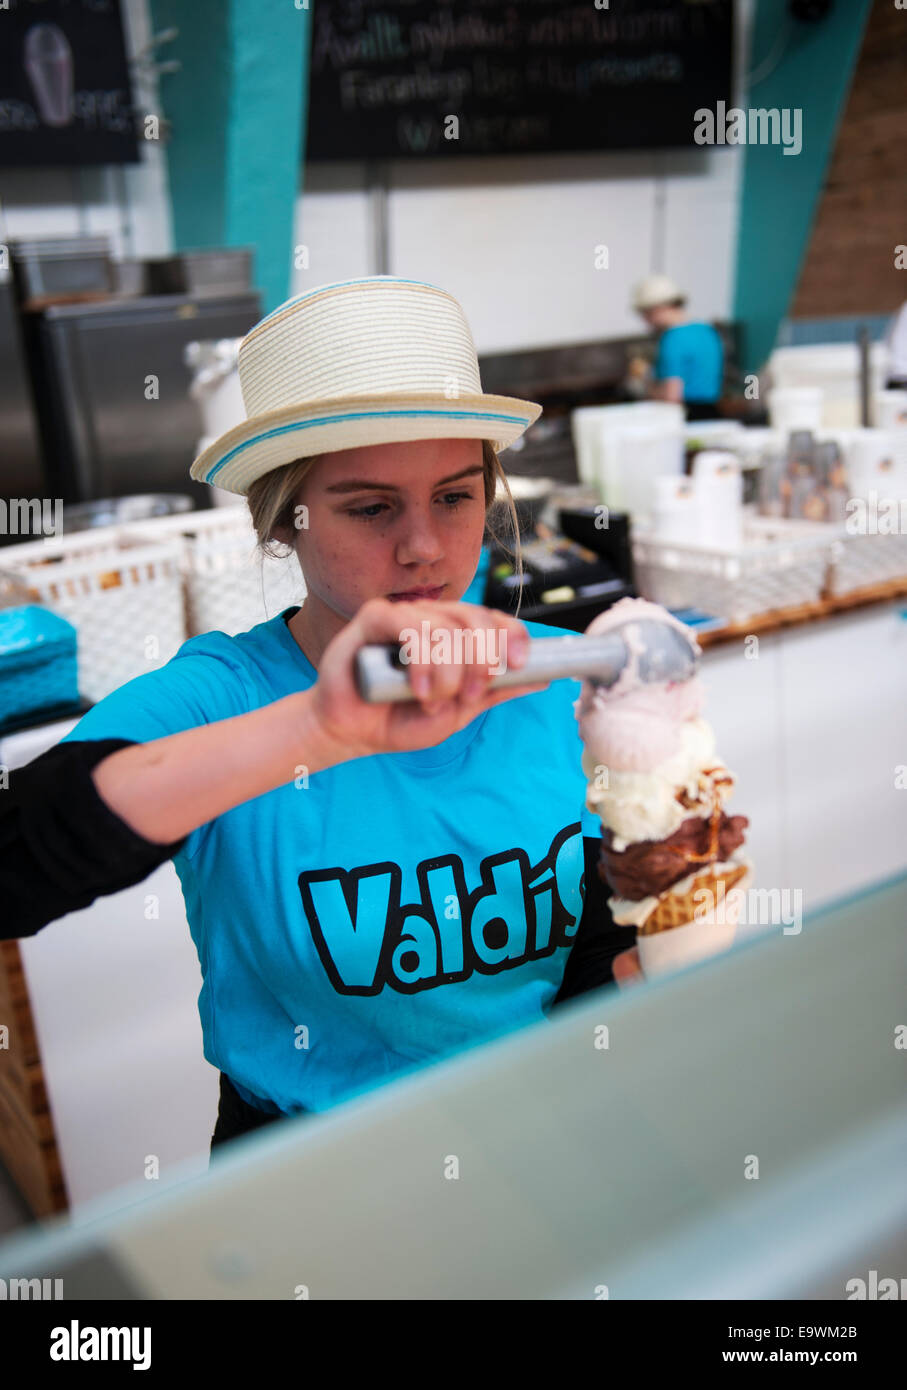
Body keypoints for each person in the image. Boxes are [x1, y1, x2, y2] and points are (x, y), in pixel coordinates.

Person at [2, 276, 643, 1155]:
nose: (423, 547)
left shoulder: (553, 676)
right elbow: (13, 859)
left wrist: (634, 982)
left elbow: (590, 933)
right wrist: (318, 727)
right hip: (301, 1170)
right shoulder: (219, 697)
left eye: (455, 497)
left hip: (527, 1138)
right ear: (283, 521)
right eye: (371, 507)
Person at [632, 274, 725, 421]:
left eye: (644, 314)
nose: (645, 322)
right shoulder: (708, 331)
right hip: (712, 414)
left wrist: (645, 387)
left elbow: (672, 396)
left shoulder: (673, 338)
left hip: (687, 417)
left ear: (656, 308)